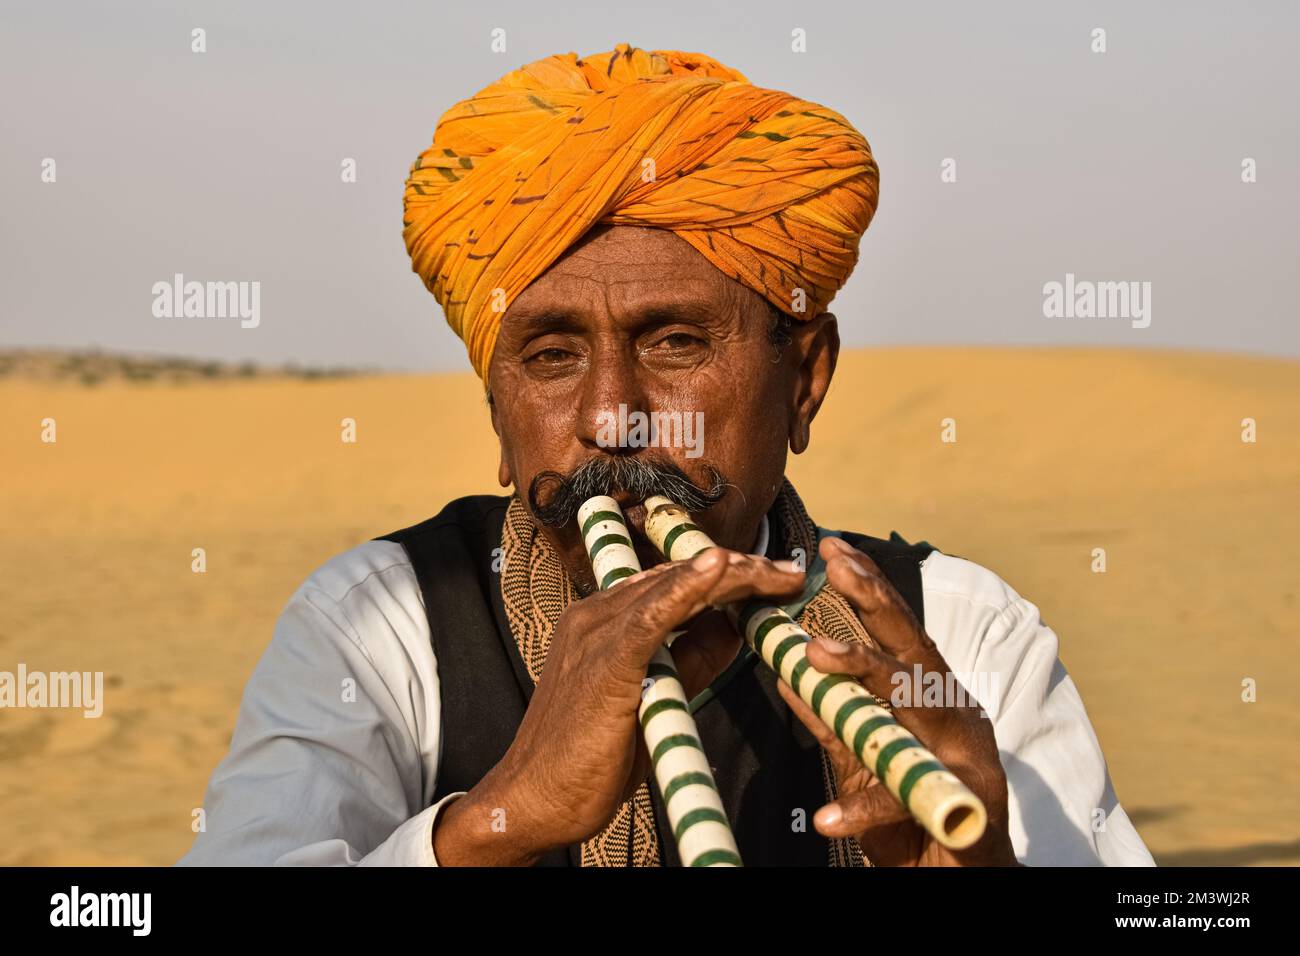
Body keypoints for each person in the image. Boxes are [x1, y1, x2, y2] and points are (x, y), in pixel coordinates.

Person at [179, 43, 1153, 867]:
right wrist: (487, 825)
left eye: (675, 343)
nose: (611, 417)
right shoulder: (373, 628)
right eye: (552, 356)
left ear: (803, 379)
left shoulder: (964, 634)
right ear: (497, 413)